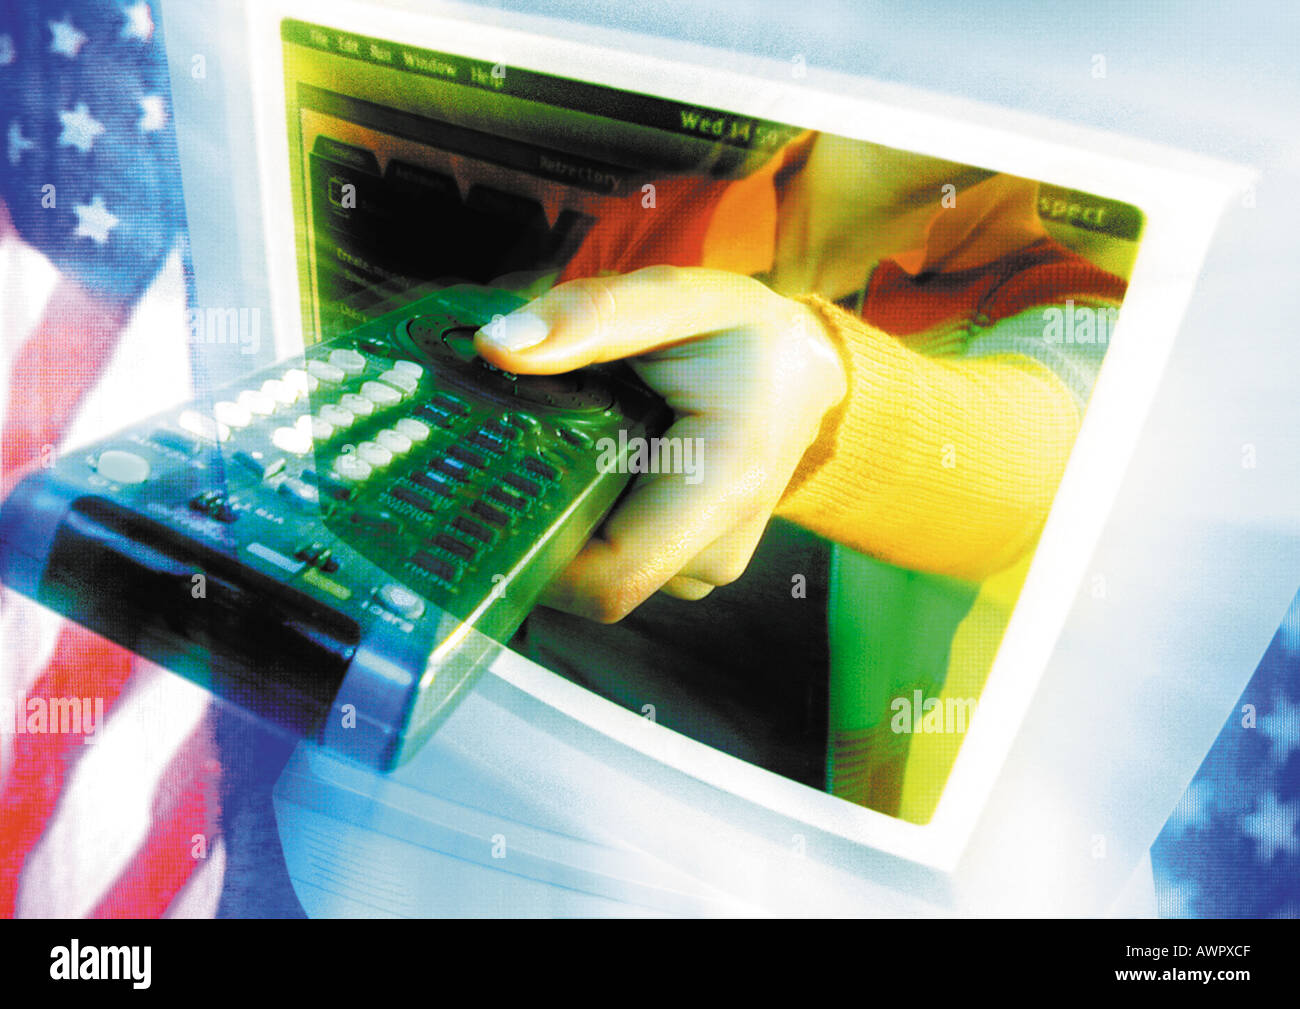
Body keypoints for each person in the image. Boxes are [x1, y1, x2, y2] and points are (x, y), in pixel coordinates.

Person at [475, 132, 1127, 817]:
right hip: (487, 704)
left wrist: (826, 396)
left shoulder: (1076, 308)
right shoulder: (660, 210)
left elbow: (1044, 446)